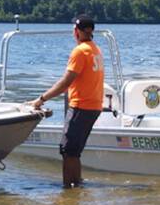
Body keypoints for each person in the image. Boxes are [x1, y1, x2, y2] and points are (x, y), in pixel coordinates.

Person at [31, 13, 105, 187]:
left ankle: (67, 190)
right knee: (74, 151)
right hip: (94, 106)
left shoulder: (80, 51)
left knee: (67, 151)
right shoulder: (95, 49)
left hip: (81, 106)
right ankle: (77, 187)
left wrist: (41, 99)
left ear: (76, 31)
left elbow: (65, 82)